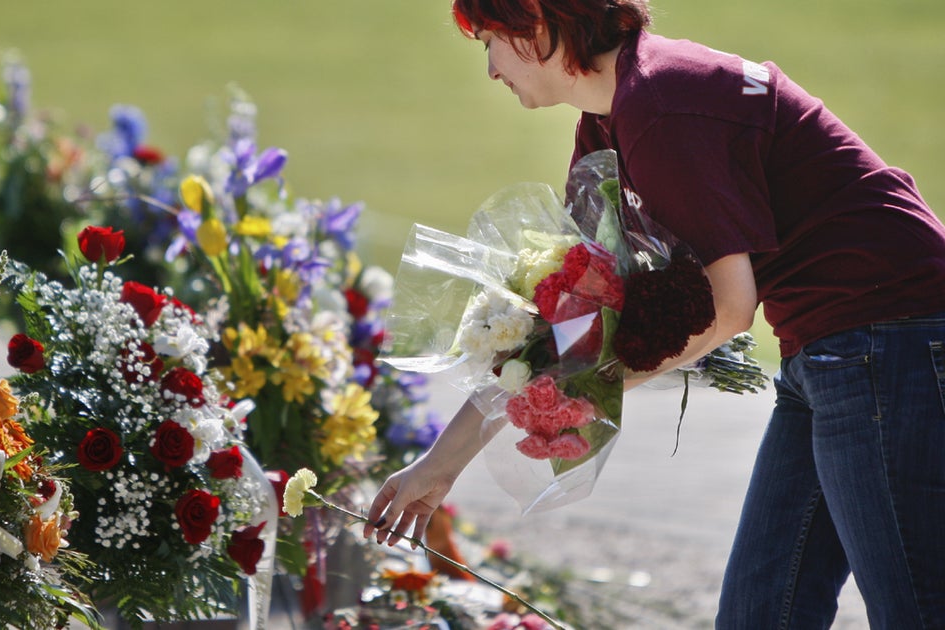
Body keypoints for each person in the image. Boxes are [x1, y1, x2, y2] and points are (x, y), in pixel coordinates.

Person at [363, 1, 945, 628]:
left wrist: (589, 390)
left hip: (888, 340)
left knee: (913, 608)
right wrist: (440, 465)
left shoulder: (660, 101)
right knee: (760, 613)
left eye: (490, 44)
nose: (491, 72)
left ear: (535, 27)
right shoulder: (611, 115)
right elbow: (568, 327)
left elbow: (730, 307)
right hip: (831, 349)